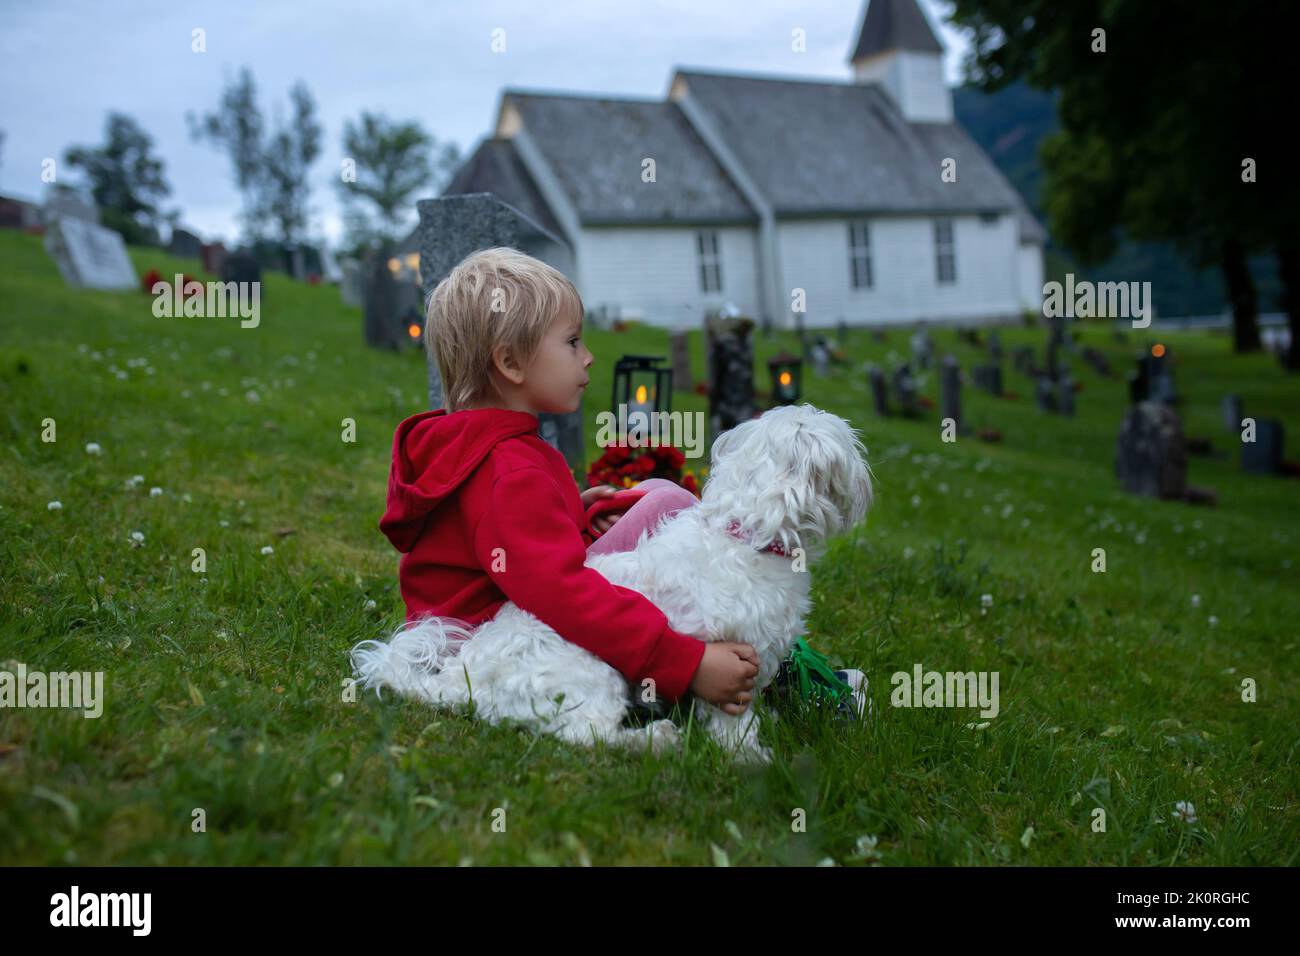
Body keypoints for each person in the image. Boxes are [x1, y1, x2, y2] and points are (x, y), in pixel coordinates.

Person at [378, 247, 757, 717]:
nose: (590, 356)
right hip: (496, 640)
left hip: (486, 619)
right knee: (671, 502)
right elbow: (560, 592)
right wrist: (684, 663)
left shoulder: (481, 447)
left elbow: (502, 543)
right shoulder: (511, 470)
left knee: (657, 494)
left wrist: (575, 514)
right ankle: (725, 650)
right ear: (511, 363)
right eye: (573, 342)